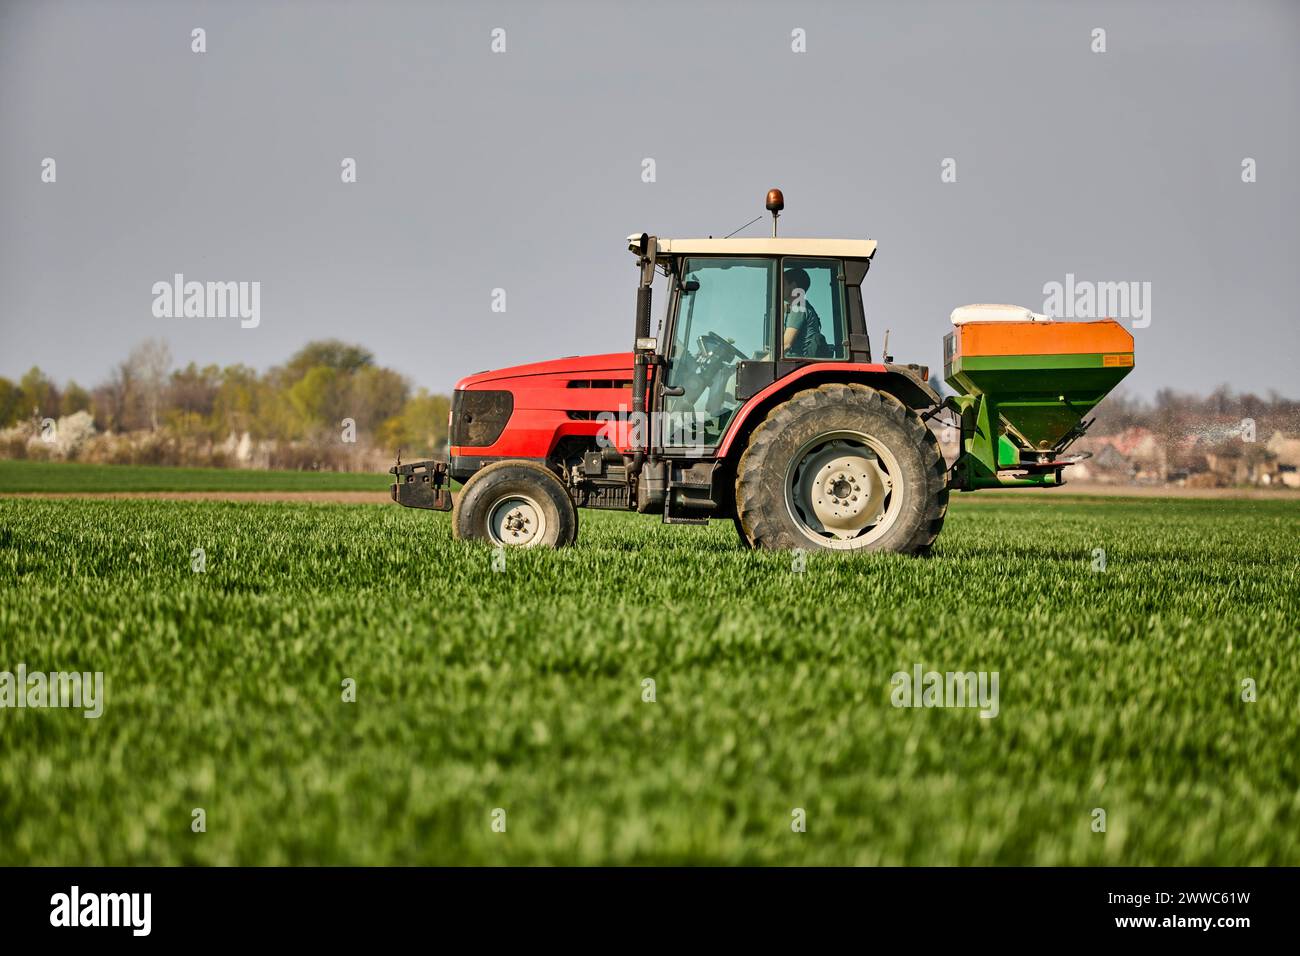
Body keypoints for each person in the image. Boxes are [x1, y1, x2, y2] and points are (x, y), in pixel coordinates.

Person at [782, 268, 829, 358]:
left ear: (793, 286)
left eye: (783, 284)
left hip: (799, 361)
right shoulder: (802, 306)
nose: (779, 288)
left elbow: (786, 344)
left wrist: (761, 362)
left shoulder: (798, 307)